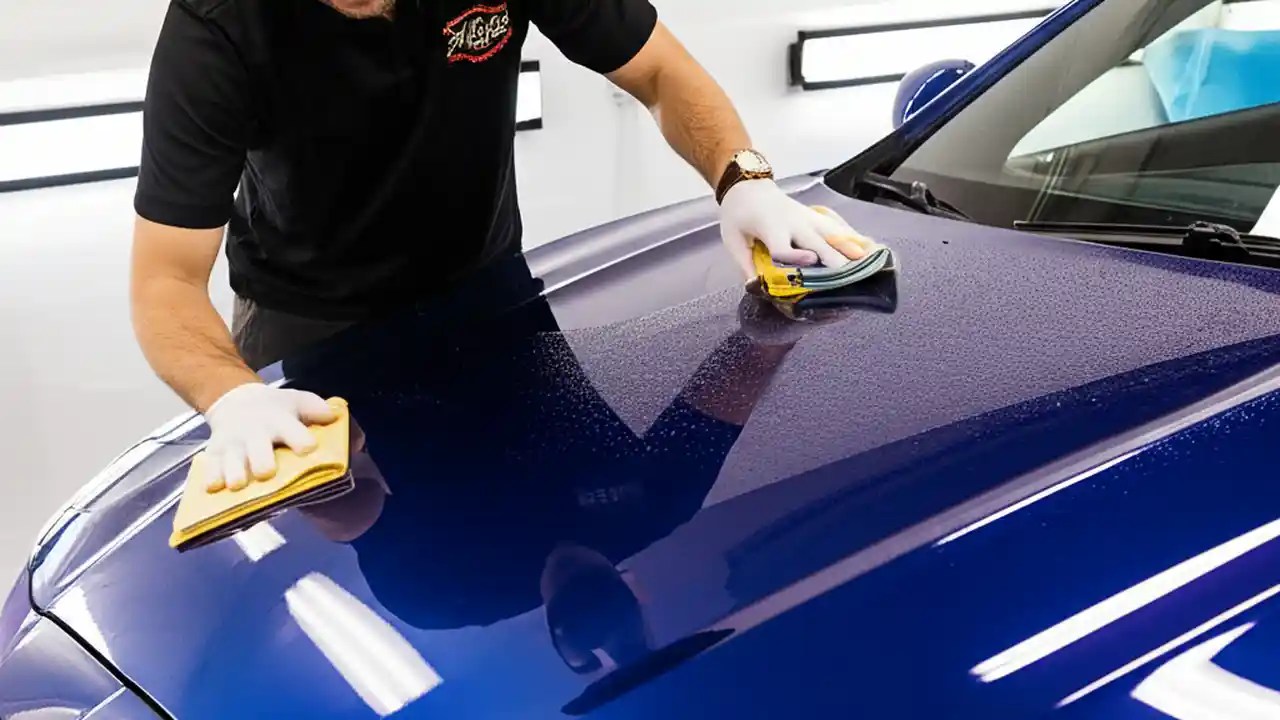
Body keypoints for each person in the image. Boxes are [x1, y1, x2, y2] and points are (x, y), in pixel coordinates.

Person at [129, 0, 873, 492]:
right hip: (312, 335)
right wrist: (233, 397)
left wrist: (744, 182)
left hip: (490, 302)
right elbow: (166, 278)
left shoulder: (627, 534)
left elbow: (658, 70)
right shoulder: (217, 25)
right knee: (342, 530)